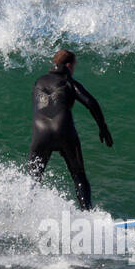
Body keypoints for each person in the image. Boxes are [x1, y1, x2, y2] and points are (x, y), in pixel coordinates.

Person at [28, 49, 112, 210]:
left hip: (41, 133)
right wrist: (103, 128)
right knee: (78, 175)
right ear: (68, 65)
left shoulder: (38, 82)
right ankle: (87, 213)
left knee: (33, 177)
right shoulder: (69, 82)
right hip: (64, 131)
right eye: (74, 66)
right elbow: (91, 103)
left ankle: (27, 212)